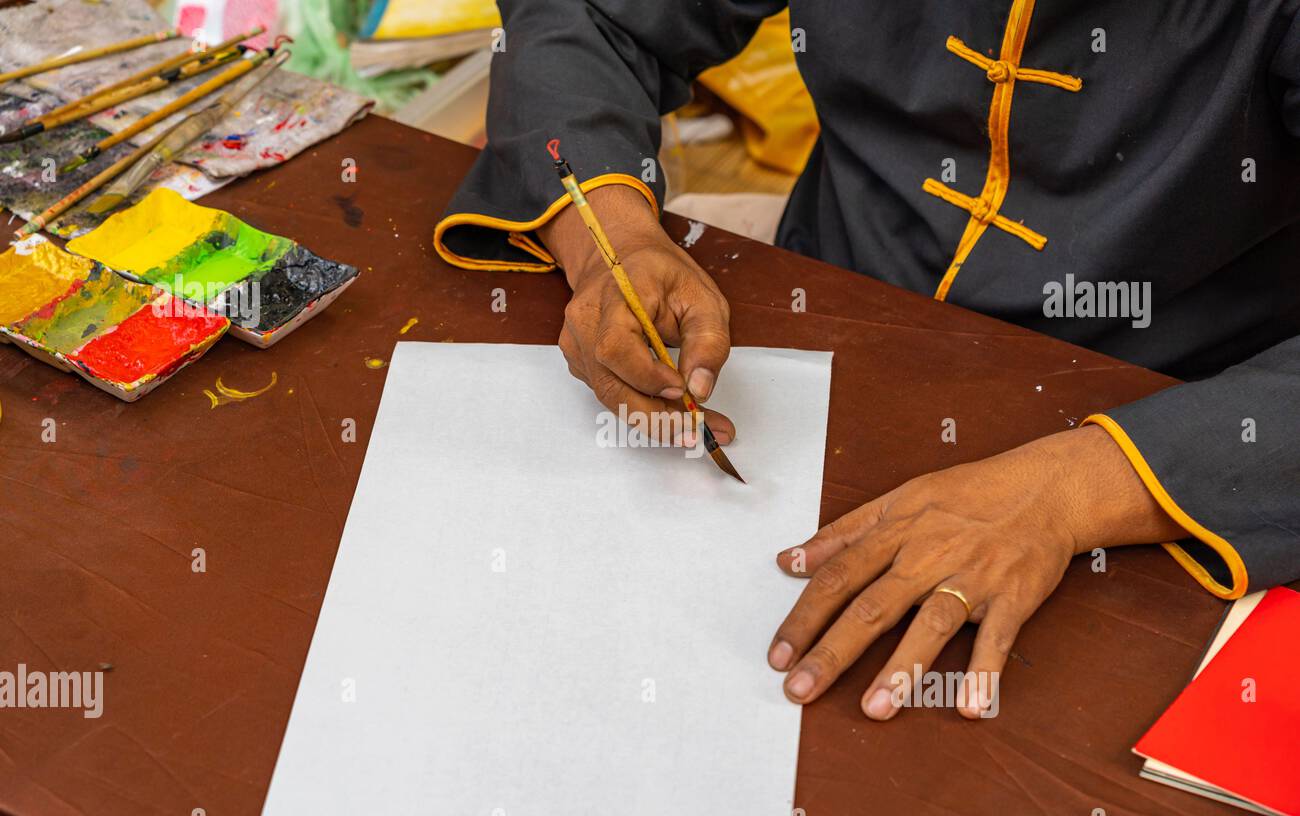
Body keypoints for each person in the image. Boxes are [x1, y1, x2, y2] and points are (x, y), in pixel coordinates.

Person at [434, 1, 1300, 720]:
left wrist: (1073, 492)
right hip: (835, 299)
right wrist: (607, 234)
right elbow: (594, 14)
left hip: (1175, 416)